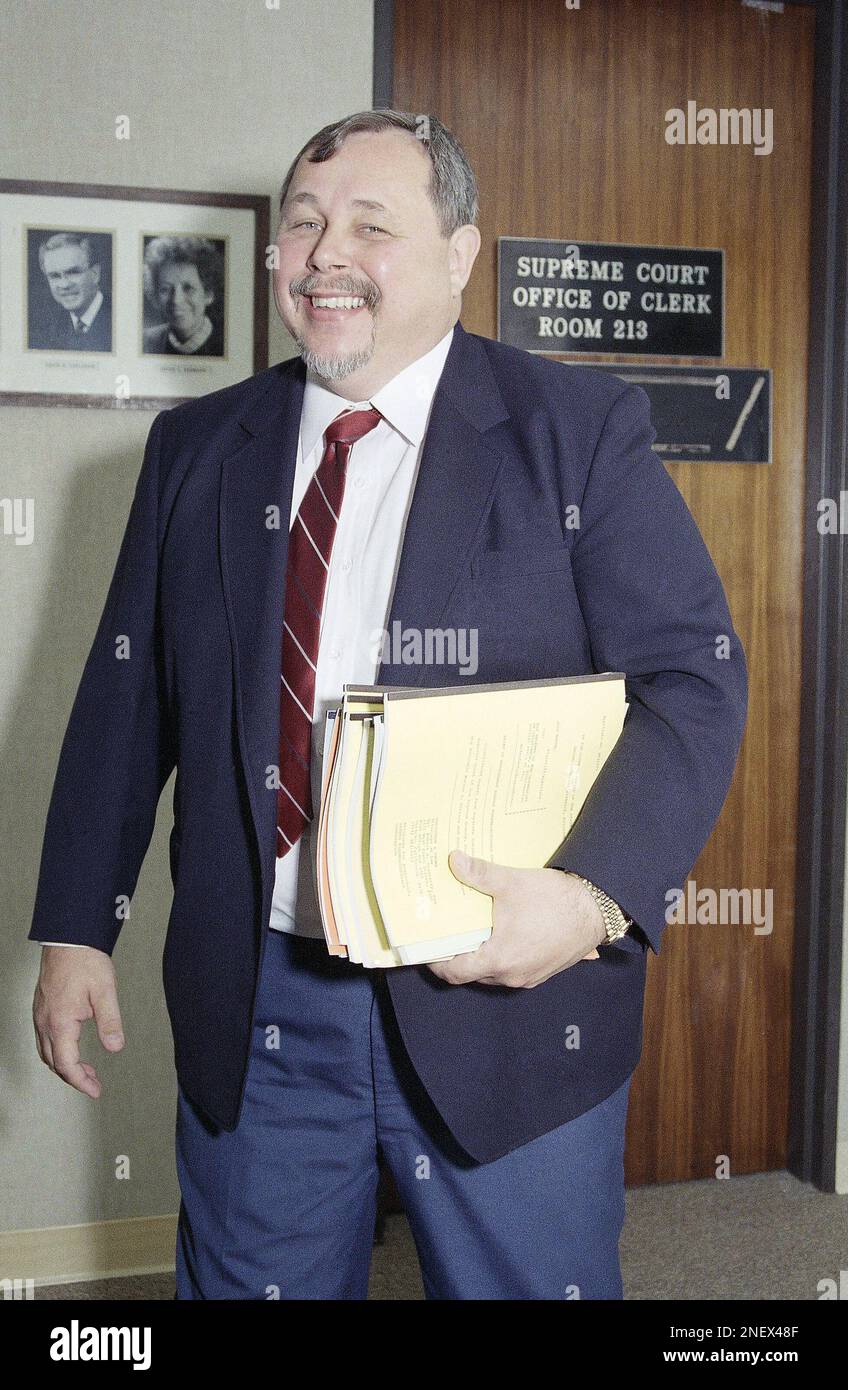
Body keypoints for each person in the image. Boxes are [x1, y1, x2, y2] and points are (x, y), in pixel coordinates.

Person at [29, 108, 747, 1300]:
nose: (325, 256)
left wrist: (589, 898)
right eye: (302, 224)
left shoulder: (575, 432)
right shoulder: (196, 449)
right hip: (260, 1005)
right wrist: (73, 926)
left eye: (371, 223)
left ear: (460, 255)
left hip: (505, 1001)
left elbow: (692, 678)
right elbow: (126, 701)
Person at [142, 236, 225, 356]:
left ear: (208, 294)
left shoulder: (227, 344)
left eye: (188, 288)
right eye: (165, 289)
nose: (176, 300)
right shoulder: (146, 342)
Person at [31, 232, 112, 352]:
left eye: (73, 272)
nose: (64, 284)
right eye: (55, 276)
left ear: (95, 274)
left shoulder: (119, 320)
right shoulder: (47, 331)